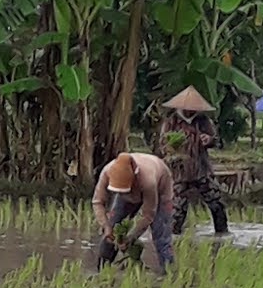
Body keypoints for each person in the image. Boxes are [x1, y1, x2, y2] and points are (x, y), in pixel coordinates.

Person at [161, 88, 229, 238]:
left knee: (216, 204)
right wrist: (172, 147)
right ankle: (175, 239)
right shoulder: (171, 122)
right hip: (179, 173)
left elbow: (216, 141)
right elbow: (163, 145)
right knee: (177, 210)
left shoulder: (203, 121)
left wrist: (209, 140)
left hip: (201, 171)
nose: (191, 111)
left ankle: (222, 235)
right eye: (188, 109)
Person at [93, 151, 175, 270]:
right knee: (112, 231)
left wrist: (131, 237)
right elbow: (97, 202)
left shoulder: (148, 180)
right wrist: (106, 226)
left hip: (160, 186)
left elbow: (148, 215)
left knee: (161, 237)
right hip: (127, 195)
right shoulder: (107, 171)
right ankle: (102, 270)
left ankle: (169, 274)